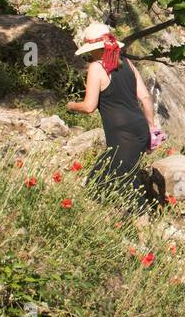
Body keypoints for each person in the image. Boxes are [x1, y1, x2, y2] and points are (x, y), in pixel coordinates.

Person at [67, 22, 159, 203]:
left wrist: (70, 105)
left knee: (125, 181)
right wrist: (151, 128)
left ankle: (138, 220)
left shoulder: (96, 68)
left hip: (121, 133)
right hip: (139, 128)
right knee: (102, 176)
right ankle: (108, 214)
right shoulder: (128, 64)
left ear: (95, 48)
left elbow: (89, 106)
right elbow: (146, 98)